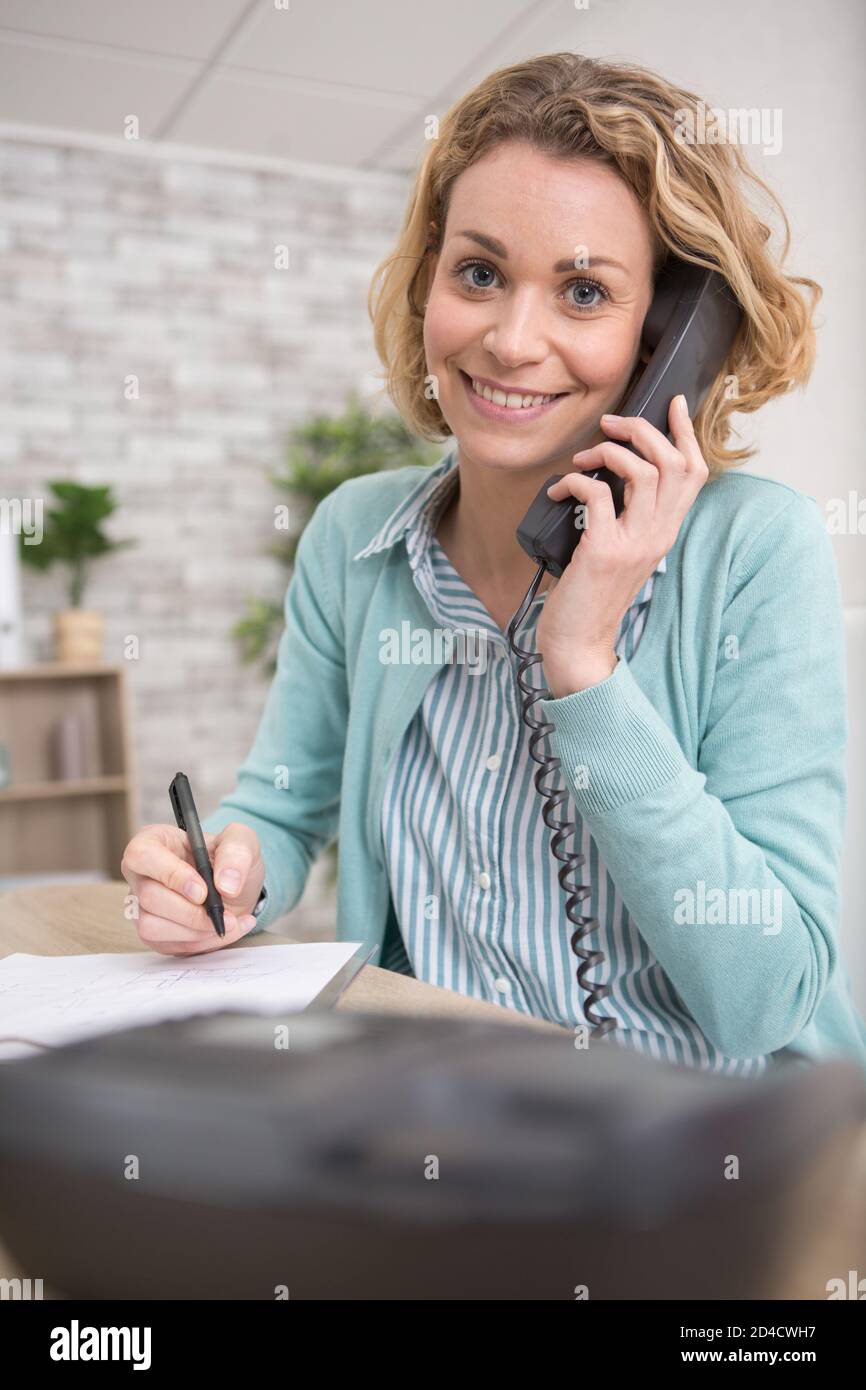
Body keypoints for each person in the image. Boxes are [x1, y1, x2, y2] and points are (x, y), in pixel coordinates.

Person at [120, 52, 866, 1077]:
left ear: (666, 339)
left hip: (706, 1163)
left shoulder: (754, 551)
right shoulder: (352, 540)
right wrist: (227, 871)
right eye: (478, 273)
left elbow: (764, 1001)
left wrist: (584, 664)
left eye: (583, 290)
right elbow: (281, 808)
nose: (511, 340)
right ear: (429, 279)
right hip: (435, 1127)